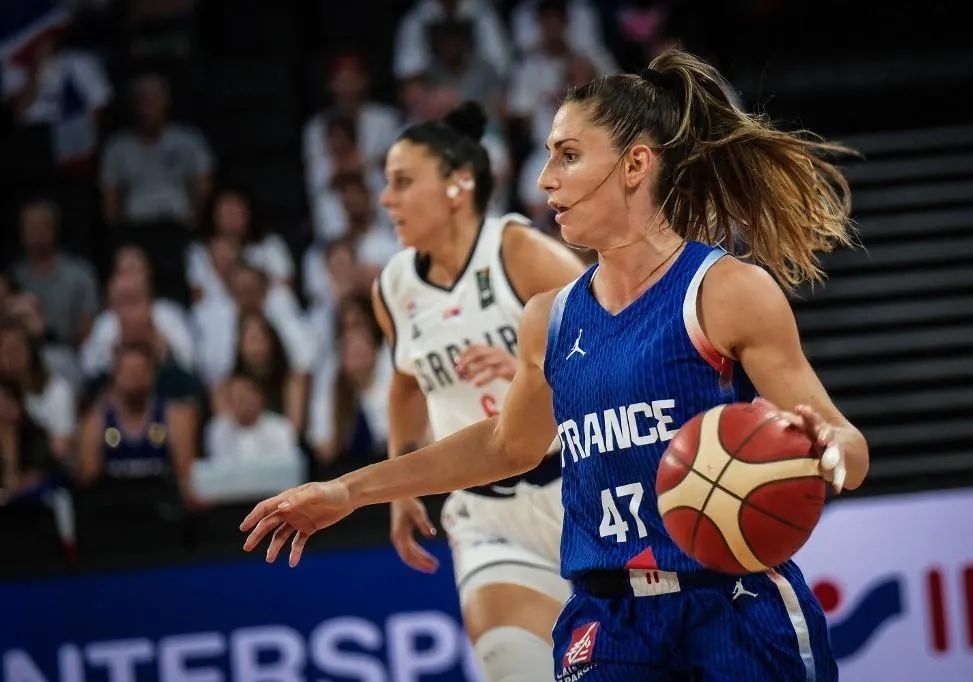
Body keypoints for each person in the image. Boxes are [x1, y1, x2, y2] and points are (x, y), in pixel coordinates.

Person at [241, 49, 870, 682]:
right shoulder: (551, 317)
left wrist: (826, 452)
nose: (545, 178)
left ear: (635, 165)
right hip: (608, 619)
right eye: (547, 155)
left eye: (568, 155)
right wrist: (349, 491)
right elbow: (504, 445)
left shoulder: (724, 291)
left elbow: (847, 443)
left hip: (731, 604)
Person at [370, 100, 591, 680]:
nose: (385, 199)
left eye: (401, 183)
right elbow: (405, 386)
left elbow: (618, 335)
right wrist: (401, 482)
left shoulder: (516, 249)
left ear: (457, 185)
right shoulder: (393, 287)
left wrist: (533, 365)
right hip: (484, 513)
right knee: (511, 664)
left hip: (583, 491)